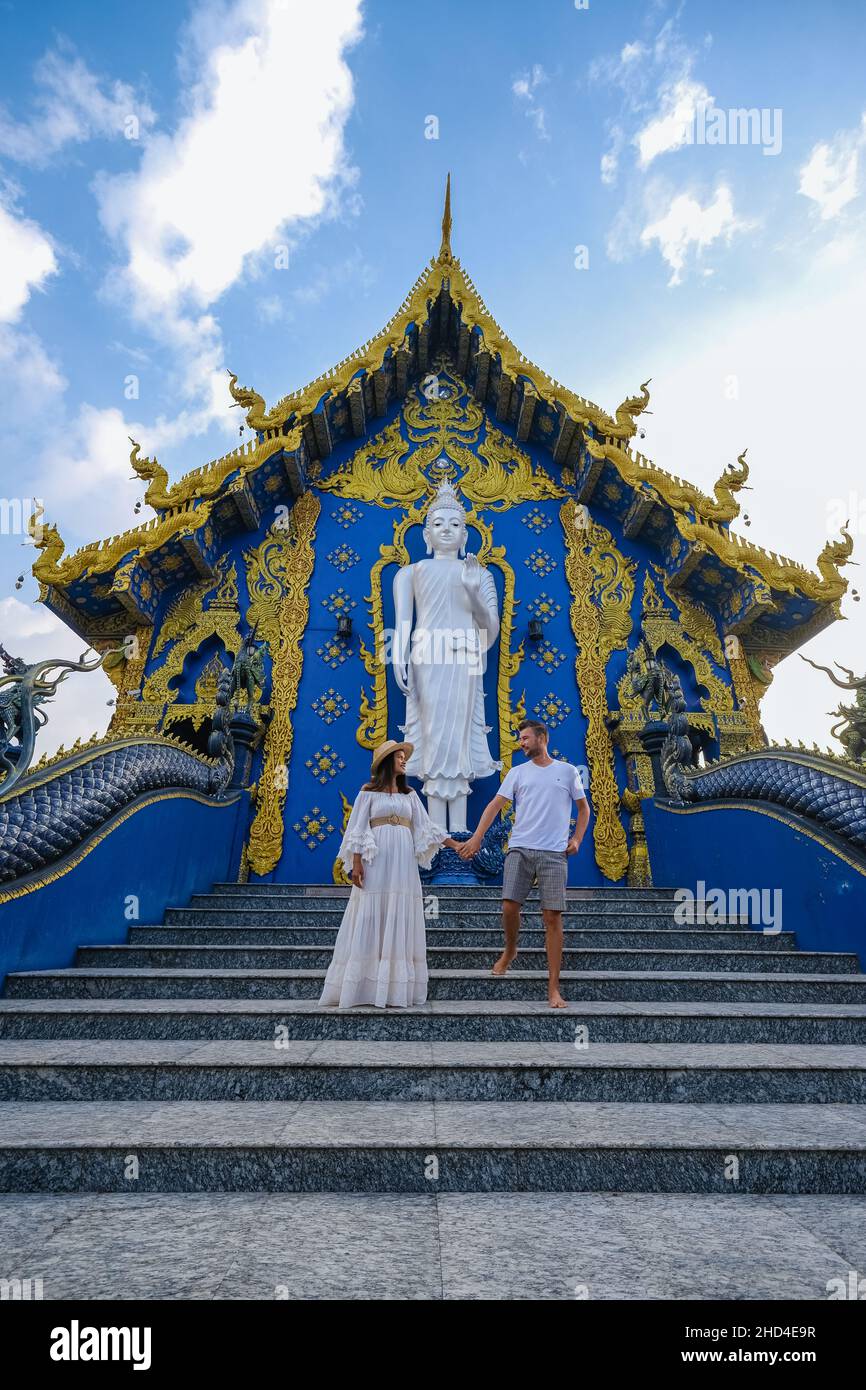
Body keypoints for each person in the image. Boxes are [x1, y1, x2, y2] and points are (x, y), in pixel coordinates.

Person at [319, 739, 463, 1009]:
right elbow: (357, 828)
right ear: (387, 762)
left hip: (403, 862)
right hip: (376, 860)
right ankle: (364, 985)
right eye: (398, 757)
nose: (403, 760)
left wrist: (456, 845)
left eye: (403, 756)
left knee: (399, 913)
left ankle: (394, 986)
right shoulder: (368, 793)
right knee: (371, 912)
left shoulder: (410, 795)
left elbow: (427, 827)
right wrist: (357, 863)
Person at [458, 719, 590, 1008]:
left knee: (552, 917)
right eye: (520, 739)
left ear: (542, 738)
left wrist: (577, 839)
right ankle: (510, 949)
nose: (521, 743)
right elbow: (495, 805)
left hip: (554, 853)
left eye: (526, 738)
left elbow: (584, 809)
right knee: (509, 906)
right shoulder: (517, 773)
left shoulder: (567, 772)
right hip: (520, 848)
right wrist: (477, 838)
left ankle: (553, 988)